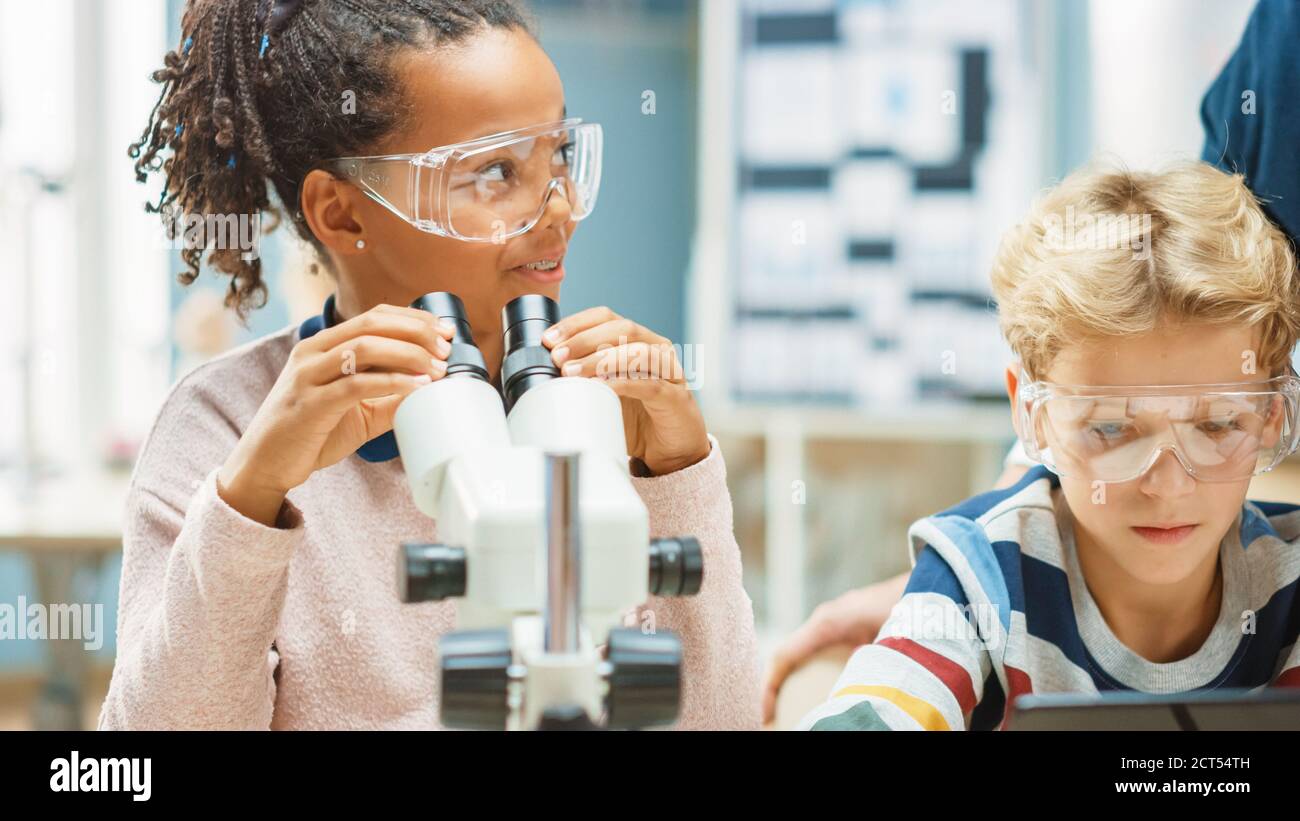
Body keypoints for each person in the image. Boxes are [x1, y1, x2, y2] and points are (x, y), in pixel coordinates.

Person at [98, 0, 760, 730]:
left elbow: (719, 719)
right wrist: (250, 499)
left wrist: (680, 477)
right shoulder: (224, 425)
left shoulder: (598, 408)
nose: (560, 210)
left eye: (559, 156)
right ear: (343, 214)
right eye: (496, 172)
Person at [764, 0, 1300, 723]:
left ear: (1272, 413)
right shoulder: (982, 577)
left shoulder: (1289, 582)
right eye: (1111, 430)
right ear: (1033, 412)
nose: (1167, 483)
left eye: (1216, 425)